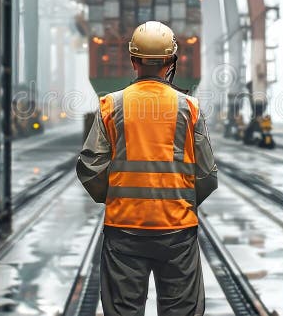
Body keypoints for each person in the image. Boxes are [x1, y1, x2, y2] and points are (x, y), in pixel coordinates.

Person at [77, 21, 218, 315]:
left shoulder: (110, 105)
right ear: (171, 62)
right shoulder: (189, 107)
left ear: (133, 61)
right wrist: (183, 202)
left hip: (123, 231)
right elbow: (206, 175)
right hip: (177, 231)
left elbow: (90, 168)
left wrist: (117, 197)